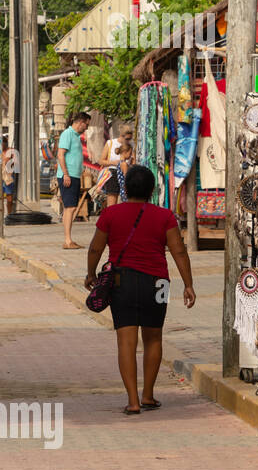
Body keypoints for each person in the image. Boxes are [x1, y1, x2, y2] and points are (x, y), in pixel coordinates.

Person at [84, 165, 196, 415]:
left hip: (122, 281)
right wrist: (188, 284)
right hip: (158, 283)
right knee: (154, 337)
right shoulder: (165, 216)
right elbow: (179, 251)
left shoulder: (110, 215)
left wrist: (91, 274)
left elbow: (95, 248)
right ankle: (148, 395)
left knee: (126, 341)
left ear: (125, 188)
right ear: (151, 190)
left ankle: (133, 400)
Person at [58, 111, 91, 250]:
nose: (87, 128)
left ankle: (69, 239)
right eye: (86, 125)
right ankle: (67, 240)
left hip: (74, 176)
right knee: (70, 208)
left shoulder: (77, 136)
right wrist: (66, 174)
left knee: (70, 207)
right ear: (80, 122)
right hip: (68, 176)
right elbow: (60, 155)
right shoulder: (67, 134)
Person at [99, 127, 134, 208]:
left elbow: (133, 161)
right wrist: (113, 162)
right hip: (113, 173)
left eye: (130, 139)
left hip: (125, 172)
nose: (129, 141)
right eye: (128, 138)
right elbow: (101, 161)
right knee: (112, 202)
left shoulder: (130, 145)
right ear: (121, 136)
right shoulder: (110, 143)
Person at [1, 136, 19, 216]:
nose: (2, 145)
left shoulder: (11, 151)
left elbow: (17, 163)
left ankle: (9, 214)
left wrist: (11, 161)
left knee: (9, 198)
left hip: (8, 177)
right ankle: (0, 215)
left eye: (3, 143)